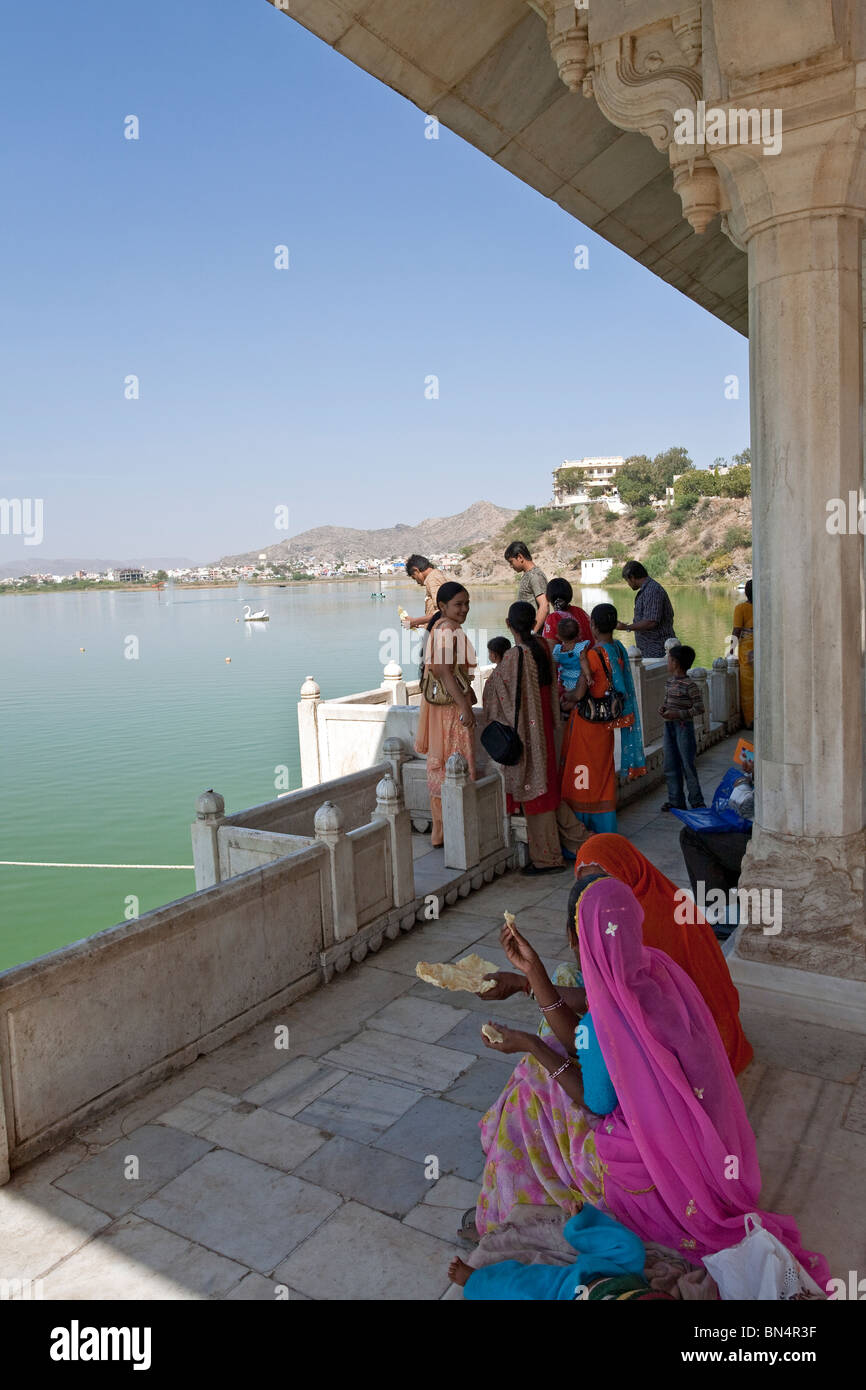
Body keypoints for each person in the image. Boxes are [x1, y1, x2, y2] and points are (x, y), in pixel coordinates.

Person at [472, 875, 829, 1290]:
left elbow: (596, 1100)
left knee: (533, 1081)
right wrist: (531, 975)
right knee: (553, 1051)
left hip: (647, 1174)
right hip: (702, 1147)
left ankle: (514, 1196)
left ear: (578, 938)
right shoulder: (657, 969)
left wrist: (530, 1045)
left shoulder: (608, 1017)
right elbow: (591, 1039)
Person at [481, 602, 577, 874]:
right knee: (549, 790)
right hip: (546, 727)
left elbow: (495, 695)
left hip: (529, 734)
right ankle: (585, 844)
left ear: (509, 624)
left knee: (537, 793)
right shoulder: (545, 646)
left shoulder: (514, 656)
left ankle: (547, 859)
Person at [558, 603, 645, 835]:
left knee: (582, 777)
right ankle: (606, 830)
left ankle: (583, 834)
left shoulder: (593, 655)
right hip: (606, 726)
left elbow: (579, 693)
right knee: (602, 776)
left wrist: (566, 697)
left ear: (593, 625)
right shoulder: (618, 649)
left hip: (588, 725)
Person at [414, 581, 477, 847]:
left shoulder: (444, 627)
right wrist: (463, 706)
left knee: (445, 763)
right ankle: (451, 830)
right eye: (458, 604)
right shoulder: (446, 629)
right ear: (442, 607)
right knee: (454, 762)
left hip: (444, 706)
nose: (464, 609)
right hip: (449, 709)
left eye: (467, 604)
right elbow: (441, 669)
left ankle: (443, 832)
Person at [679, 774, 754, 939]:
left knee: (691, 836)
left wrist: (743, 781)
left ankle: (721, 913)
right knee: (705, 833)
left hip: (764, 844)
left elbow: (749, 807)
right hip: (761, 837)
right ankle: (722, 907)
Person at [659, 643, 706, 812]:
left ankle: (696, 801)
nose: (667, 663)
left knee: (687, 764)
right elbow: (667, 702)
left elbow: (699, 708)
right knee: (670, 764)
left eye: (669, 660)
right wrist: (664, 709)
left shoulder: (690, 685)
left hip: (683, 726)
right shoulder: (669, 683)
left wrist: (677, 715)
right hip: (669, 726)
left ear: (676, 663)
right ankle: (676, 800)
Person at [616, 561, 676, 658]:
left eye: (627, 580)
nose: (628, 584)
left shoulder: (652, 590)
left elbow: (651, 622)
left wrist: (626, 627)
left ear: (632, 577)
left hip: (658, 650)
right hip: (649, 650)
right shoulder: (646, 590)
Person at [503, 541, 548, 634]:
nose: (511, 566)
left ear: (520, 557)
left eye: (511, 562)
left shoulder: (535, 575)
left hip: (535, 636)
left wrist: (533, 633)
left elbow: (544, 606)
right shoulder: (528, 574)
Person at [541, 577, 592, 649]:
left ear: (548, 597)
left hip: (572, 659)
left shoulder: (553, 618)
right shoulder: (580, 611)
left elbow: (551, 651)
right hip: (590, 657)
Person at [401, 554, 448, 629]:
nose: (417, 582)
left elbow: (443, 612)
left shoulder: (433, 579)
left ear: (416, 570)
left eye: (414, 578)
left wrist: (414, 621)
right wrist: (420, 624)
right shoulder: (435, 576)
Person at [732, 578, 754, 728]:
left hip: (748, 650)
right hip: (764, 646)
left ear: (746, 593)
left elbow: (736, 631)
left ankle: (751, 720)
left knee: (747, 686)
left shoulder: (741, 608)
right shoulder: (766, 605)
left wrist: (731, 651)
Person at [552, 618, 587, 699]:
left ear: (558, 637)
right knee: (573, 701)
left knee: (566, 699)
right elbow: (584, 661)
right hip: (579, 681)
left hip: (565, 681)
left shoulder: (557, 650)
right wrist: (588, 675)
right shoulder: (580, 647)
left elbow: (554, 666)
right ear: (578, 634)